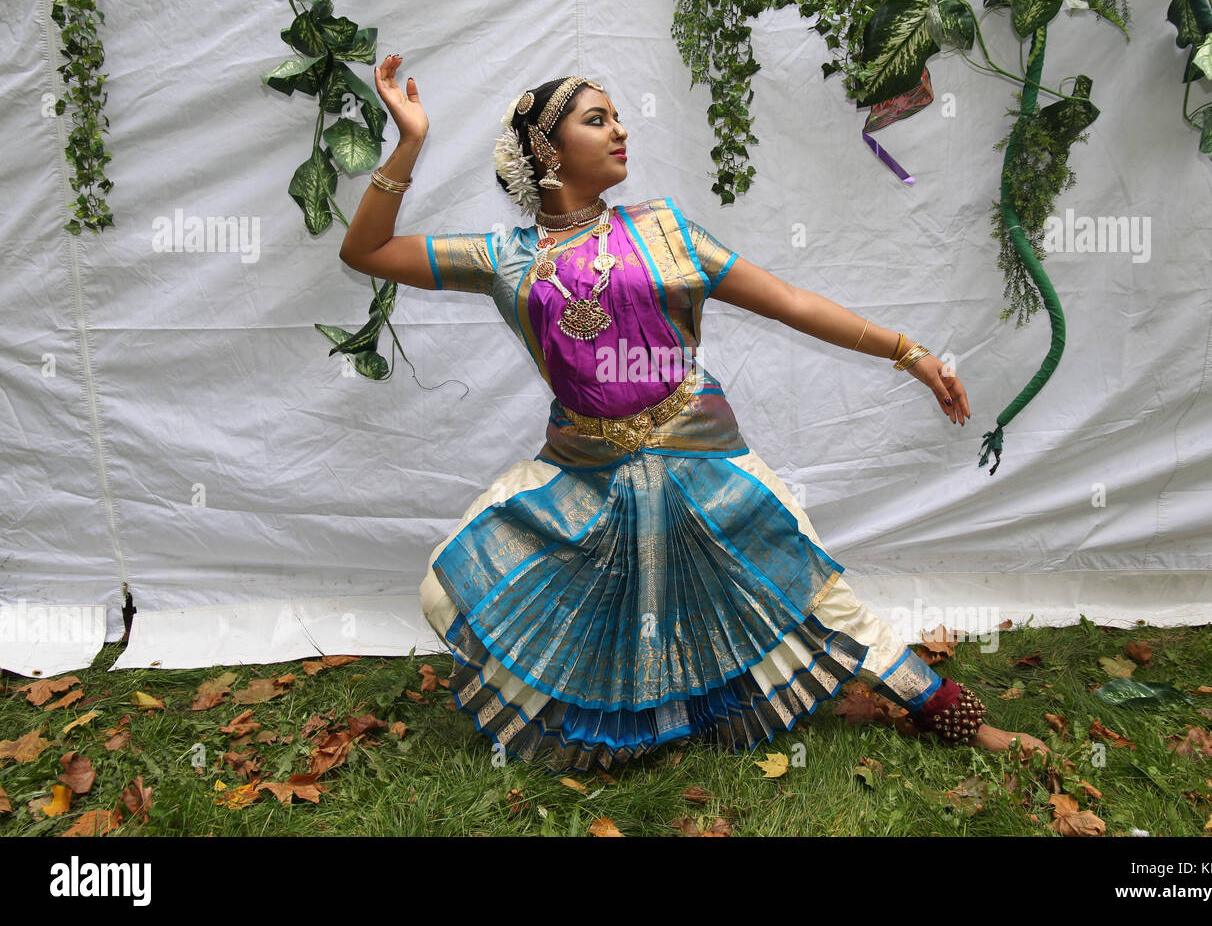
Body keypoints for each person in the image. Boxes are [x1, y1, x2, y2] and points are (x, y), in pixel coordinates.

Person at [338, 55, 1051, 773]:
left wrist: (909, 352)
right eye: (598, 119)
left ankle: (952, 714)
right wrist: (410, 143)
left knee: (819, 594)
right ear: (547, 150)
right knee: (450, 582)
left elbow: (792, 301)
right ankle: (626, 720)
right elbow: (363, 249)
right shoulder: (504, 257)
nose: (621, 130)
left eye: (617, 115)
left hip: (703, 450)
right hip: (587, 469)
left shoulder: (666, 232)